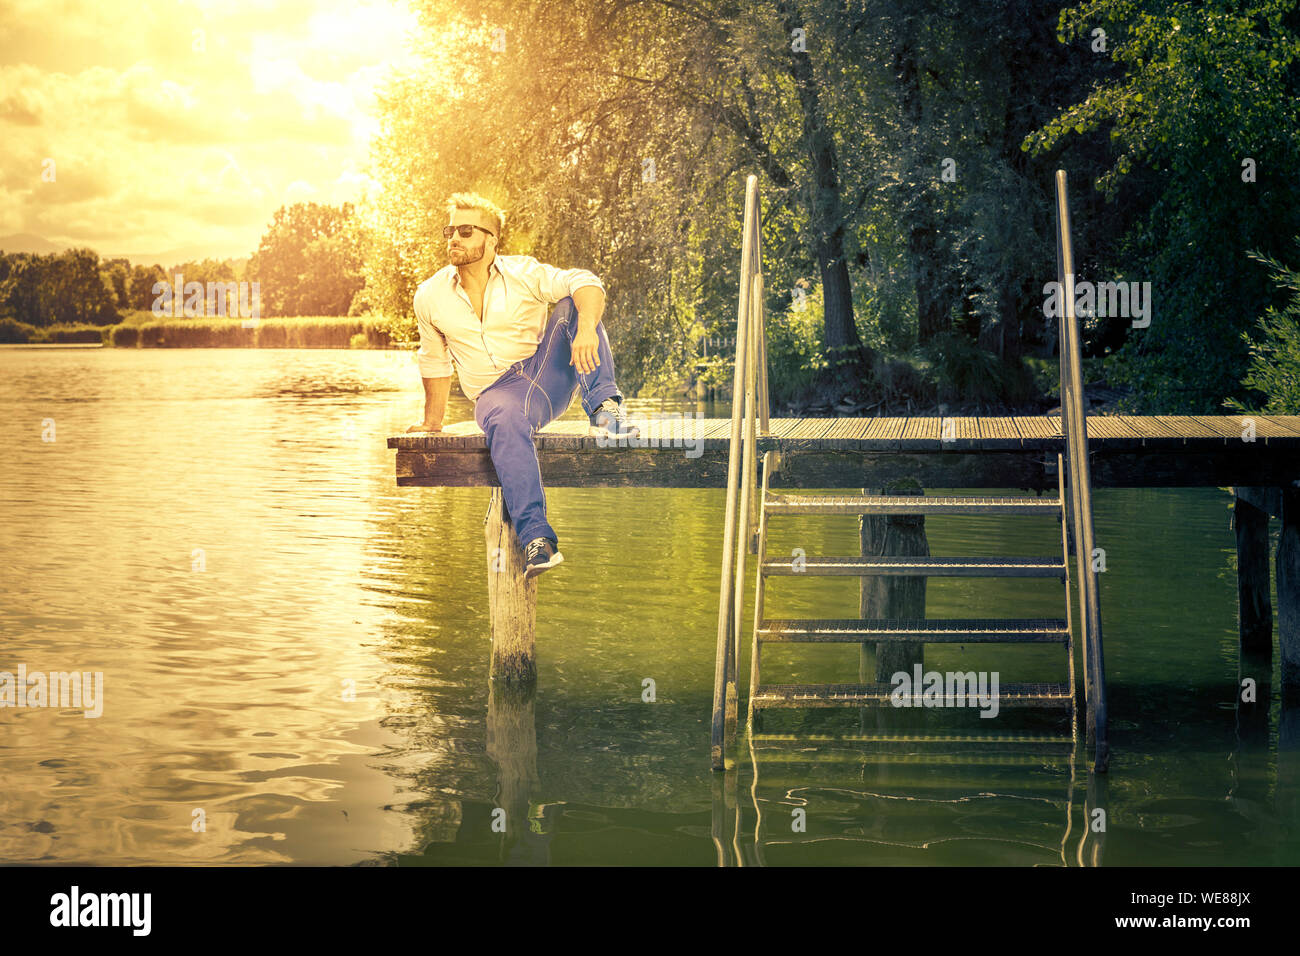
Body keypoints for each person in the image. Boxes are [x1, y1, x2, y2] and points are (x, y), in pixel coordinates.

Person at [406, 192, 640, 579]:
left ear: (492, 240)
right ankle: (537, 540)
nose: (454, 238)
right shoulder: (429, 296)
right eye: (450, 230)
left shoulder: (523, 273)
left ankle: (605, 410)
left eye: (466, 231)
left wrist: (584, 329)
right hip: (496, 395)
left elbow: (587, 282)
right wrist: (432, 422)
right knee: (504, 415)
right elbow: (434, 360)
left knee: (572, 306)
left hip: (546, 375)